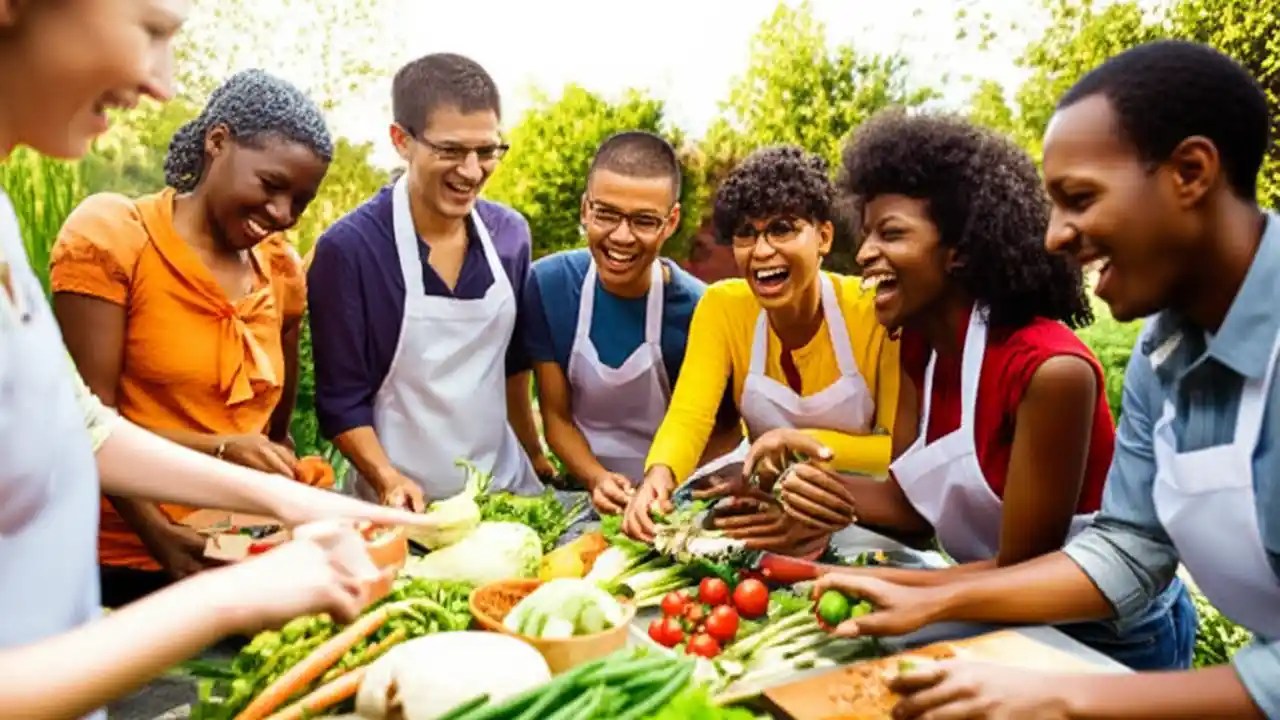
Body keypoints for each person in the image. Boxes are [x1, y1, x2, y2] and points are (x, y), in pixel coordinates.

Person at [815, 41, 1280, 719]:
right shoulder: (1163, 354)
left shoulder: (1053, 365)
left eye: (1080, 199)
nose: (1055, 236)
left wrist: (1073, 692)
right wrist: (934, 594)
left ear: (1190, 172)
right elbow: (1130, 548)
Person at [0, 1, 438, 717]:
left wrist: (286, 498)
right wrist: (227, 596)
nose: (165, 85)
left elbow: (78, 425)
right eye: (150, 29)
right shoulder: (112, 232)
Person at [750, 110, 1196, 670]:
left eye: (890, 233)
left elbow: (1024, 563)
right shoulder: (919, 347)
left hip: (1107, 636)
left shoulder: (1048, 369)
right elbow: (910, 507)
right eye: (867, 233)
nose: (864, 253)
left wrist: (847, 576)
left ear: (958, 249)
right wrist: (800, 475)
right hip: (998, 608)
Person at [50, 68, 333, 607]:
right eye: (271, 186)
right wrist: (162, 532)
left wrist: (290, 491)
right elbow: (85, 428)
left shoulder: (278, 269)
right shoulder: (115, 235)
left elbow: (273, 436)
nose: (282, 215)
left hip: (238, 554)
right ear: (217, 141)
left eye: (300, 201)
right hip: (121, 559)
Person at [625, 146, 901, 555]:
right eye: (746, 233)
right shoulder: (723, 306)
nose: (761, 250)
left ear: (823, 236)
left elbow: (894, 452)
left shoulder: (872, 311)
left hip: (862, 519)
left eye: (782, 229)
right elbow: (688, 415)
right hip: (768, 516)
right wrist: (658, 476)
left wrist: (792, 442)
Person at [308, 52, 551, 512]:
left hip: (506, 497)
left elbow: (513, 367)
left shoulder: (510, 236)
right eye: (451, 150)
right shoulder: (350, 250)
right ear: (402, 140)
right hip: (401, 510)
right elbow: (341, 402)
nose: (472, 171)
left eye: (487, 150)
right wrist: (387, 479)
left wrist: (536, 455)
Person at [521, 130, 742, 514]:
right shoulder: (550, 285)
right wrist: (595, 478)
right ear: (585, 209)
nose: (621, 237)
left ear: (670, 222)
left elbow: (722, 432)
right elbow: (556, 416)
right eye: (606, 214)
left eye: (643, 221)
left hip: (674, 500)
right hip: (584, 492)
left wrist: (668, 491)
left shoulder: (699, 310)